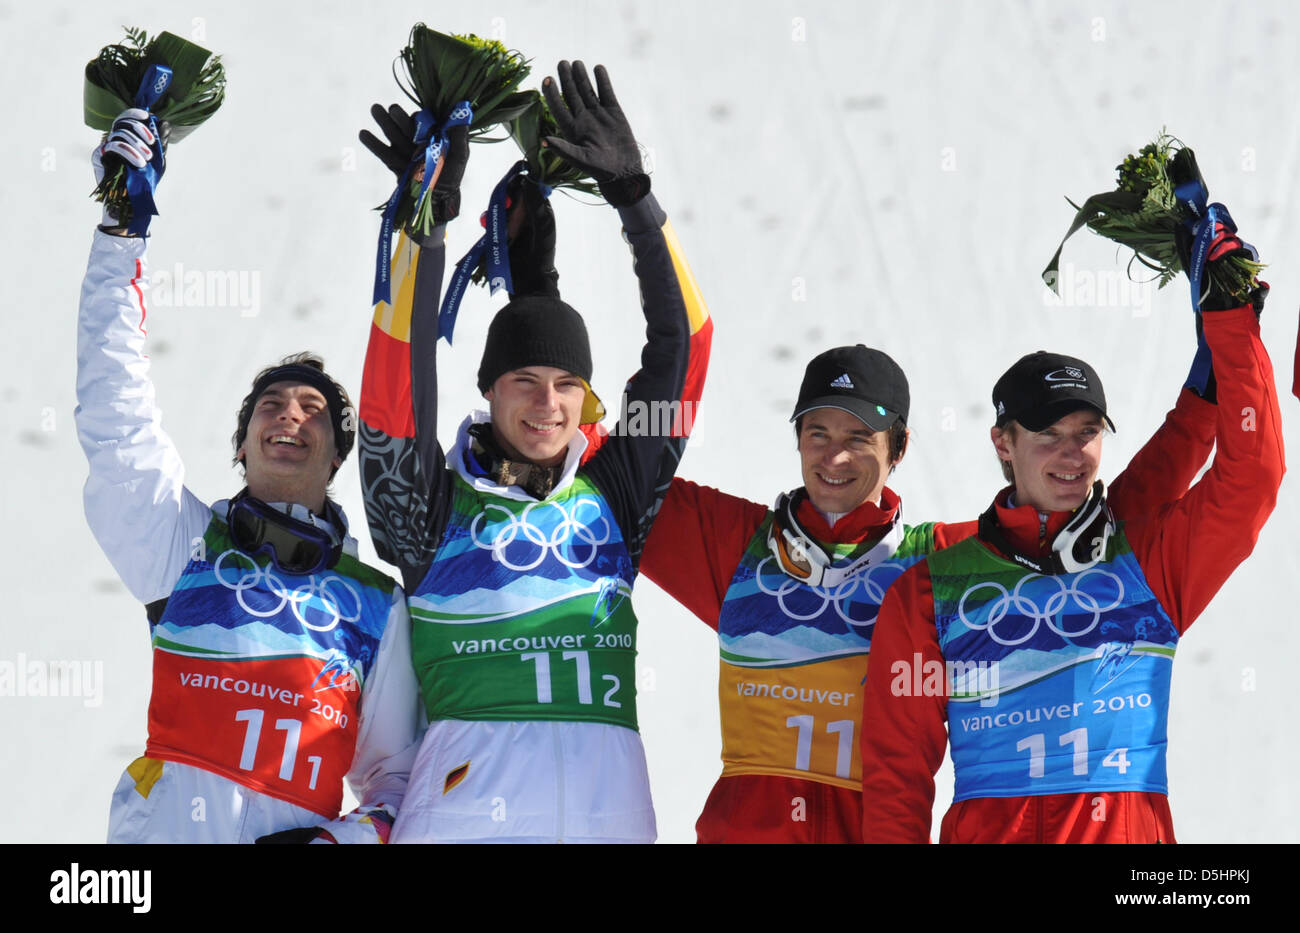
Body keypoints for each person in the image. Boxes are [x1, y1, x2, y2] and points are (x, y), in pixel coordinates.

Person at [859, 169, 1283, 842]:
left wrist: (1230, 325)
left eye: (1086, 432)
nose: (1071, 451)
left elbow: (1251, 476)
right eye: (1048, 432)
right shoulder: (931, 591)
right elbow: (894, 778)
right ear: (1003, 441)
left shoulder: (1147, 566)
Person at [356, 61, 712, 843]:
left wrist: (636, 200)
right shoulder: (427, 510)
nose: (547, 404)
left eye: (565, 383)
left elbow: (684, 346)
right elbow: (394, 396)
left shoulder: (614, 499)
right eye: (523, 380)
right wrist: (430, 227)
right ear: (488, 388)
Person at [76, 109, 420, 843]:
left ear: (336, 458)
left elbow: (400, 783)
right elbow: (116, 417)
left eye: (313, 410)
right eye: (271, 404)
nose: (289, 416)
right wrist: (118, 238)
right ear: (242, 446)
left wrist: (341, 842)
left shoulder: (376, 607)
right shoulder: (182, 545)